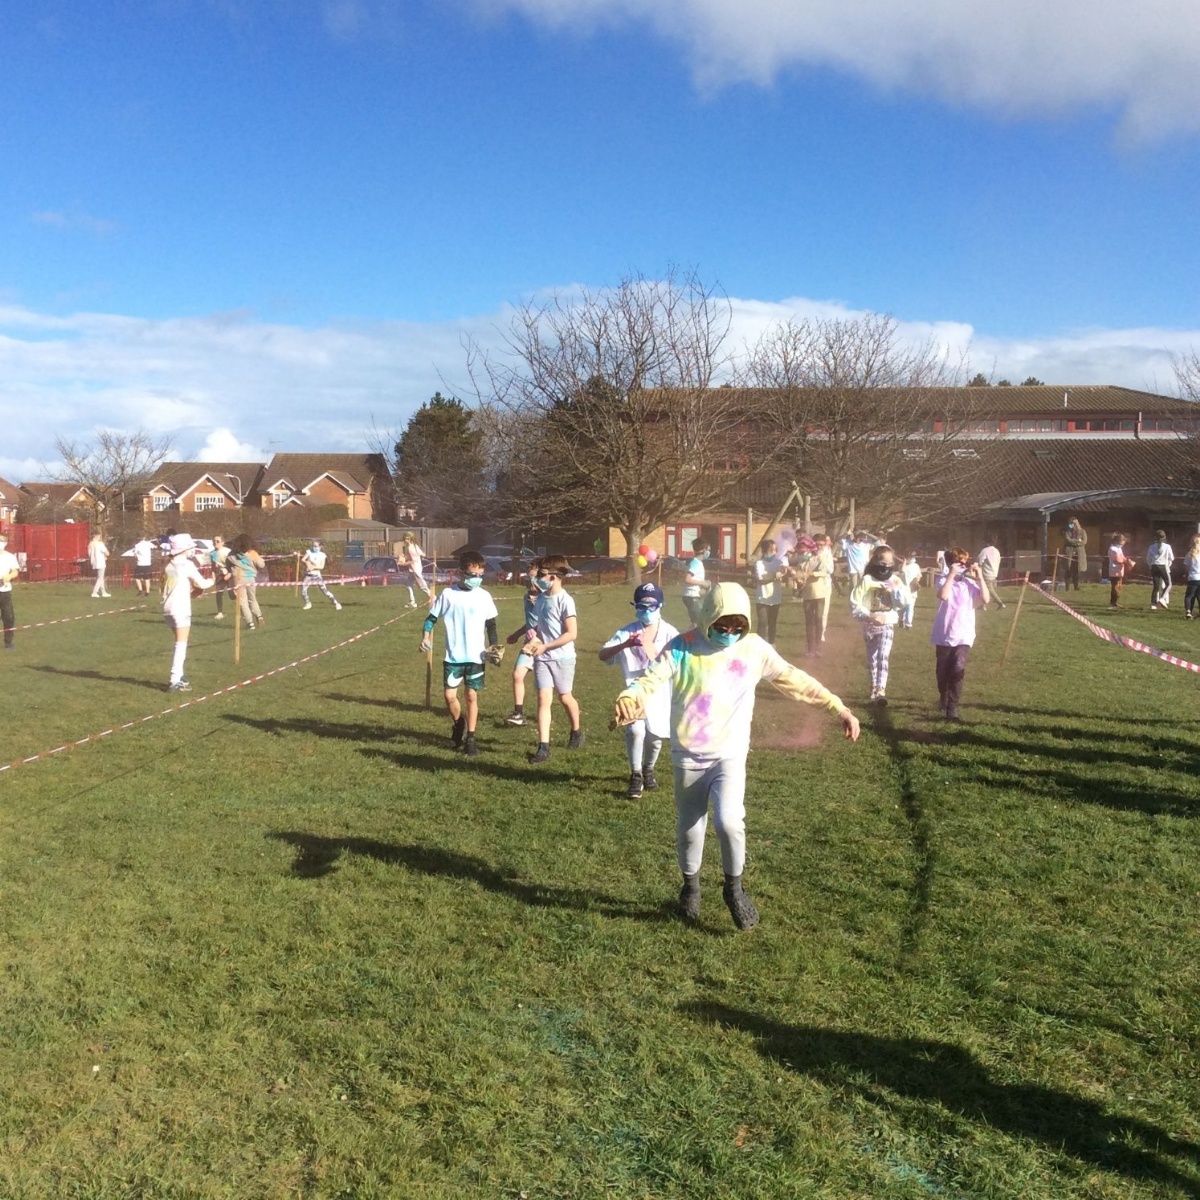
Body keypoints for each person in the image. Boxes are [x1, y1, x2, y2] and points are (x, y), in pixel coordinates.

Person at [613, 582, 860, 930]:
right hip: (688, 756)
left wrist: (839, 708)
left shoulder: (754, 649)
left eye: (737, 627)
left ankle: (734, 889)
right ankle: (691, 888)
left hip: (729, 754)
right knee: (690, 827)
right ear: (707, 618)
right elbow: (650, 679)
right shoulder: (682, 647)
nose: (729, 633)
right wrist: (630, 696)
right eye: (721, 626)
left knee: (729, 822)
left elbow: (794, 679)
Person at [600, 582, 680, 799]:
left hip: (660, 691)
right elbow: (603, 655)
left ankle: (648, 769)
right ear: (635, 606)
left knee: (655, 737)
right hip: (634, 691)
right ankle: (635, 775)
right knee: (635, 731)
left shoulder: (671, 633)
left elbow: (679, 662)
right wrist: (625, 645)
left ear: (660, 605)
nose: (647, 610)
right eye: (642, 606)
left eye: (652, 606)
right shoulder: (627, 632)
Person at [419, 550, 502, 757]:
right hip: (453, 657)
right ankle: (459, 723)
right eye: (472, 575)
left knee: (471, 696)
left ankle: (471, 738)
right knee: (449, 696)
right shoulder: (448, 595)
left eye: (480, 575)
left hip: (476, 657)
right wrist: (425, 637)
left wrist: (494, 646)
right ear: (460, 572)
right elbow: (430, 620)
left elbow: (491, 625)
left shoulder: (484, 596)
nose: (476, 580)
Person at [525, 554, 585, 763]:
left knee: (565, 697)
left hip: (563, 658)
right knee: (543, 698)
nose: (537, 578)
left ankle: (576, 731)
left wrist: (546, 646)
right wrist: (534, 638)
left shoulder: (565, 600)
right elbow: (541, 628)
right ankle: (543, 747)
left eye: (541, 574)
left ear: (554, 576)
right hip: (542, 658)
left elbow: (571, 633)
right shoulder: (541, 598)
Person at [930, 548, 989, 721]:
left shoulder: (970, 584)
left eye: (965, 563)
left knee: (958, 668)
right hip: (944, 634)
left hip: (964, 634)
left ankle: (953, 707)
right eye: (959, 563)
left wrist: (979, 577)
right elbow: (943, 595)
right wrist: (951, 575)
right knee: (942, 672)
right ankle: (944, 698)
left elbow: (985, 599)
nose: (964, 566)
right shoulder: (943, 580)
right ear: (950, 564)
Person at [851, 545, 911, 706]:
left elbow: (904, 602)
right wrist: (868, 617)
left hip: (887, 623)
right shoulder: (867, 580)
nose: (886, 566)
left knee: (883, 656)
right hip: (869, 625)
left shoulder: (895, 580)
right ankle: (873, 688)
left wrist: (895, 590)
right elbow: (855, 603)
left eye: (889, 563)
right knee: (872, 659)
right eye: (883, 562)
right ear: (876, 561)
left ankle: (881, 691)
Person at [161, 532, 214, 691]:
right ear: (185, 549)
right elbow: (203, 584)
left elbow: (173, 587)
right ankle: (175, 679)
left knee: (178, 641)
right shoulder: (187, 564)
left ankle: (180, 675)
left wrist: (192, 593)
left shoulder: (169, 565)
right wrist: (214, 578)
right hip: (180, 608)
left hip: (167, 609)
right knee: (181, 644)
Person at [503, 559, 541, 727]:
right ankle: (519, 713)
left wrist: (539, 634)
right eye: (528, 579)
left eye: (533, 579)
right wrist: (517, 634)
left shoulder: (547, 599)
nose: (529, 583)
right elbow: (530, 623)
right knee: (518, 675)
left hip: (546, 646)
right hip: (529, 645)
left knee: (545, 685)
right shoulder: (527, 597)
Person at [752, 538, 788, 645]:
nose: (773, 552)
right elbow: (760, 580)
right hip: (762, 598)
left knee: (772, 623)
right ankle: (760, 645)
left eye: (775, 550)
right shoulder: (759, 563)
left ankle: (772, 644)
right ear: (764, 550)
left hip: (775, 598)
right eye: (771, 550)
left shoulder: (778, 562)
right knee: (762, 623)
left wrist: (784, 572)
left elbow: (783, 571)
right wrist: (773, 577)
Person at [229, 533, 266, 629]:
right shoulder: (252, 553)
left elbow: (227, 565)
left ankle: (250, 623)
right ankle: (259, 616)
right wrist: (260, 559)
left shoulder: (232, 554)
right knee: (252, 599)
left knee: (243, 601)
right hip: (250, 578)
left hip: (238, 579)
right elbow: (261, 565)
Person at [301, 539, 342, 612]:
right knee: (303, 591)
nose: (314, 547)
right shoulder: (309, 552)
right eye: (313, 546)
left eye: (316, 546)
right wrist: (307, 562)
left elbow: (321, 567)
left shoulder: (322, 555)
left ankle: (336, 603)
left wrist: (313, 567)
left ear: (320, 547)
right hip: (308, 575)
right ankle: (308, 603)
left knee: (325, 591)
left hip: (317, 576)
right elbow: (303, 559)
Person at [681, 540, 711, 629]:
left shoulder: (698, 563)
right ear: (703, 550)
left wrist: (706, 582)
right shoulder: (695, 563)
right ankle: (688, 640)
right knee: (698, 623)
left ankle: (689, 639)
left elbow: (695, 578)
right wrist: (702, 583)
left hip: (693, 595)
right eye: (708, 550)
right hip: (691, 596)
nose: (709, 552)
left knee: (697, 622)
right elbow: (687, 579)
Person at [1146, 530, 1174, 610]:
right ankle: (1162, 598)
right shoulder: (1167, 546)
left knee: (1156, 586)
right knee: (1168, 584)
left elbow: (1148, 558)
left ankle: (1153, 604)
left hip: (1154, 566)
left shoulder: (1151, 547)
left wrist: (1150, 565)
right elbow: (1171, 558)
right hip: (1162, 566)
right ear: (1164, 537)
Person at [0, 533, 19, 650]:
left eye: (2, 540)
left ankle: (8, 642)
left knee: (8, 617)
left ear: (5, 543)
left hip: (5, 592)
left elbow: (15, 572)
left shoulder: (10, 557)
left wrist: (7, 577)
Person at [402, 531, 431, 609]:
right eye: (405, 538)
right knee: (408, 584)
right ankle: (412, 601)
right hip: (414, 568)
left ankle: (433, 598)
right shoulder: (413, 546)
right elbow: (423, 554)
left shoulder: (411, 548)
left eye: (407, 538)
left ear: (411, 539)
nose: (405, 540)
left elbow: (412, 560)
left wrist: (403, 563)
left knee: (422, 586)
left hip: (415, 569)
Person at [816, 534, 836, 639]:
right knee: (813, 611)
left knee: (824, 610)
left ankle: (822, 632)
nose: (819, 547)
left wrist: (822, 562)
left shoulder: (827, 554)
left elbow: (831, 570)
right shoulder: (812, 553)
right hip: (813, 585)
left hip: (825, 584)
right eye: (817, 545)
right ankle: (814, 631)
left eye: (821, 545)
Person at [976, 535, 1005, 609]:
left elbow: (979, 560)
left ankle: (1000, 603)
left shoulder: (985, 550)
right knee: (985, 588)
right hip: (994, 573)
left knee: (988, 588)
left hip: (986, 573)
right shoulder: (997, 551)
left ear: (987, 543)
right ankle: (983, 605)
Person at [208, 534, 233, 618]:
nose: (215, 543)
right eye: (214, 541)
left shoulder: (228, 551)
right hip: (220, 574)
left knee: (232, 595)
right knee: (219, 593)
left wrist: (229, 574)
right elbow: (213, 566)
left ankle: (243, 611)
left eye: (218, 541)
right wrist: (213, 576)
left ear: (222, 542)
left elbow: (233, 564)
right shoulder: (212, 553)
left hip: (229, 573)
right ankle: (220, 612)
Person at [1107, 533, 1133, 610]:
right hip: (1114, 571)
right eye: (1122, 543)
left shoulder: (1119, 549)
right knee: (1115, 586)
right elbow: (1116, 560)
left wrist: (1128, 560)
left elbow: (1122, 557)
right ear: (1118, 542)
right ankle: (1112, 603)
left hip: (1120, 570)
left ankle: (1115, 602)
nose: (1122, 545)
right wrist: (1125, 562)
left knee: (1118, 587)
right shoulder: (1112, 549)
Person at [1063, 518, 1088, 590]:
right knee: (1068, 570)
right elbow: (1068, 540)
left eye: (1074, 524)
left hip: (1079, 554)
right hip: (1069, 553)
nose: (1073, 525)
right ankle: (1067, 587)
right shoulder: (1067, 532)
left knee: (1077, 571)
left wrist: (1075, 542)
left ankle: (1076, 586)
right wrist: (1077, 541)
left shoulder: (1082, 531)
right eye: (1071, 524)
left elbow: (1084, 541)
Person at [899, 552, 922, 629]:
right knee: (902, 606)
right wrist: (904, 561)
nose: (912, 559)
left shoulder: (916, 566)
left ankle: (908, 624)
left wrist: (916, 581)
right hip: (903, 590)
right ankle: (901, 620)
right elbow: (902, 571)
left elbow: (919, 575)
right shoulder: (902, 566)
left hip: (912, 590)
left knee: (910, 607)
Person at [88, 532, 111, 598]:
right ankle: (94, 592)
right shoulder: (99, 544)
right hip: (100, 562)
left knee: (100, 577)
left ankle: (103, 592)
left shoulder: (90, 544)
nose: (100, 538)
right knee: (100, 578)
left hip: (94, 562)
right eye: (99, 536)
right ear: (96, 536)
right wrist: (105, 554)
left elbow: (89, 554)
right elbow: (107, 553)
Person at [1183, 534, 1200, 619]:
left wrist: (1186, 575)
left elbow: (1186, 567)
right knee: (1198, 596)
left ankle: (1188, 611)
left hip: (1192, 577)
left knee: (1189, 596)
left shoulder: (1189, 554)